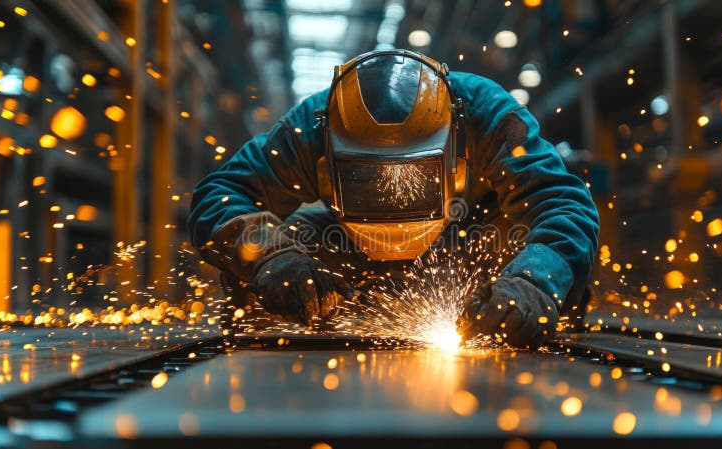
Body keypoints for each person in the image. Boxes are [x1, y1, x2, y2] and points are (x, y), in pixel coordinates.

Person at [187, 49, 599, 349]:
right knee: (283, 249)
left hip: (464, 248)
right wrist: (270, 256)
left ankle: (511, 311)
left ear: (451, 144)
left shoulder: (485, 114)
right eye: (368, 179)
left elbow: (563, 203)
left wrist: (531, 283)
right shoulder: (311, 127)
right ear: (332, 155)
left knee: (533, 249)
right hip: (347, 256)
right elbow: (220, 195)